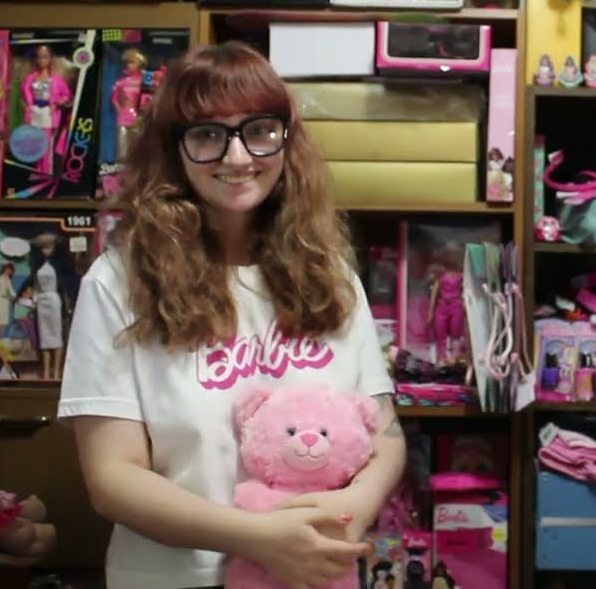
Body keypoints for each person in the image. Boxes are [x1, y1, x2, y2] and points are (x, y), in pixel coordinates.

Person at [58, 42, 405, 589]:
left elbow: (385, 433)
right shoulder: (119, 282)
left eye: (259, 131)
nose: (238, 157)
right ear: (173, 149)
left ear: (286, 140)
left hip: (311, 574)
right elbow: (112, 476)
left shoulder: (331, 273)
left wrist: (355, 506)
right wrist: (258, 538)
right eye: (207, 135)